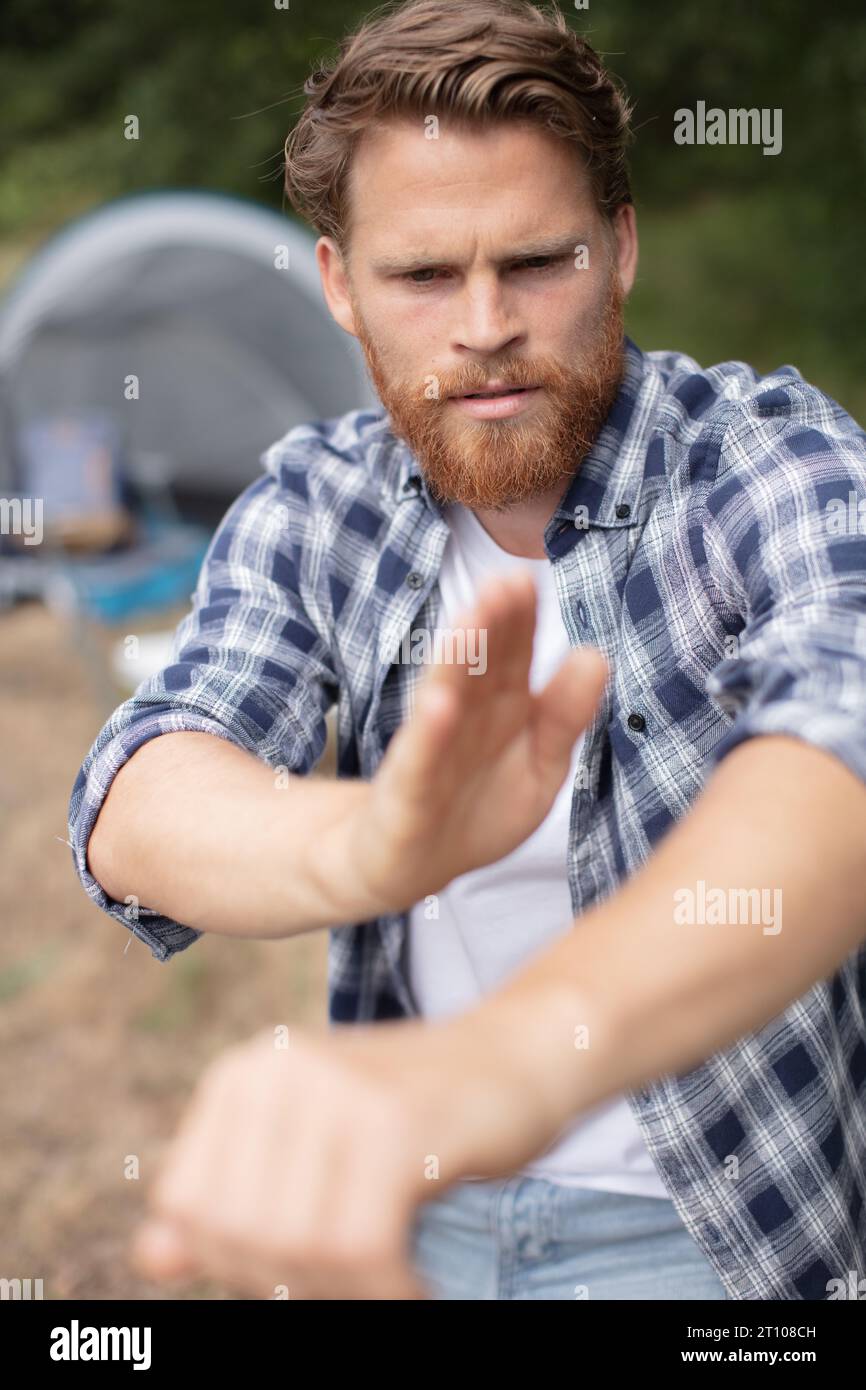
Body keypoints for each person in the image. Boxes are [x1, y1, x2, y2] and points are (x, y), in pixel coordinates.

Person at [68, 0, 866, 1301]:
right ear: (337, 284)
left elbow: (842, 749)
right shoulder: (317, 497)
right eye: (424, 275)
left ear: (618, 249)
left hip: (717, 1230)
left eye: (535, 263)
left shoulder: (765, 459)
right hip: (411, 1203)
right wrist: (368, 838)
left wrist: (506, 1059)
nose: (484, 323)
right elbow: (143, 780)